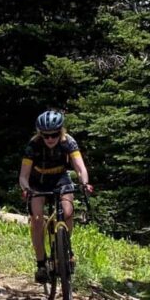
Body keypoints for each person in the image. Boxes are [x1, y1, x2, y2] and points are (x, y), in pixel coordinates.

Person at [18, 110, 93, 283]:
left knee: (67, 212)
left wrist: (84, 183)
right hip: (38, 180)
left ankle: (65, 250)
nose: (50, 139)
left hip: (61, 178)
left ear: (61, 132)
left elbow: (80, 168)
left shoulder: (69, 142)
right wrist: (26, 189)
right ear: (40, 134)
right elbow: (23, 175)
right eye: (45, 135)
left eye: (54, 135)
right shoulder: (33, 145)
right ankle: (41, 264)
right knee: (37, 219)